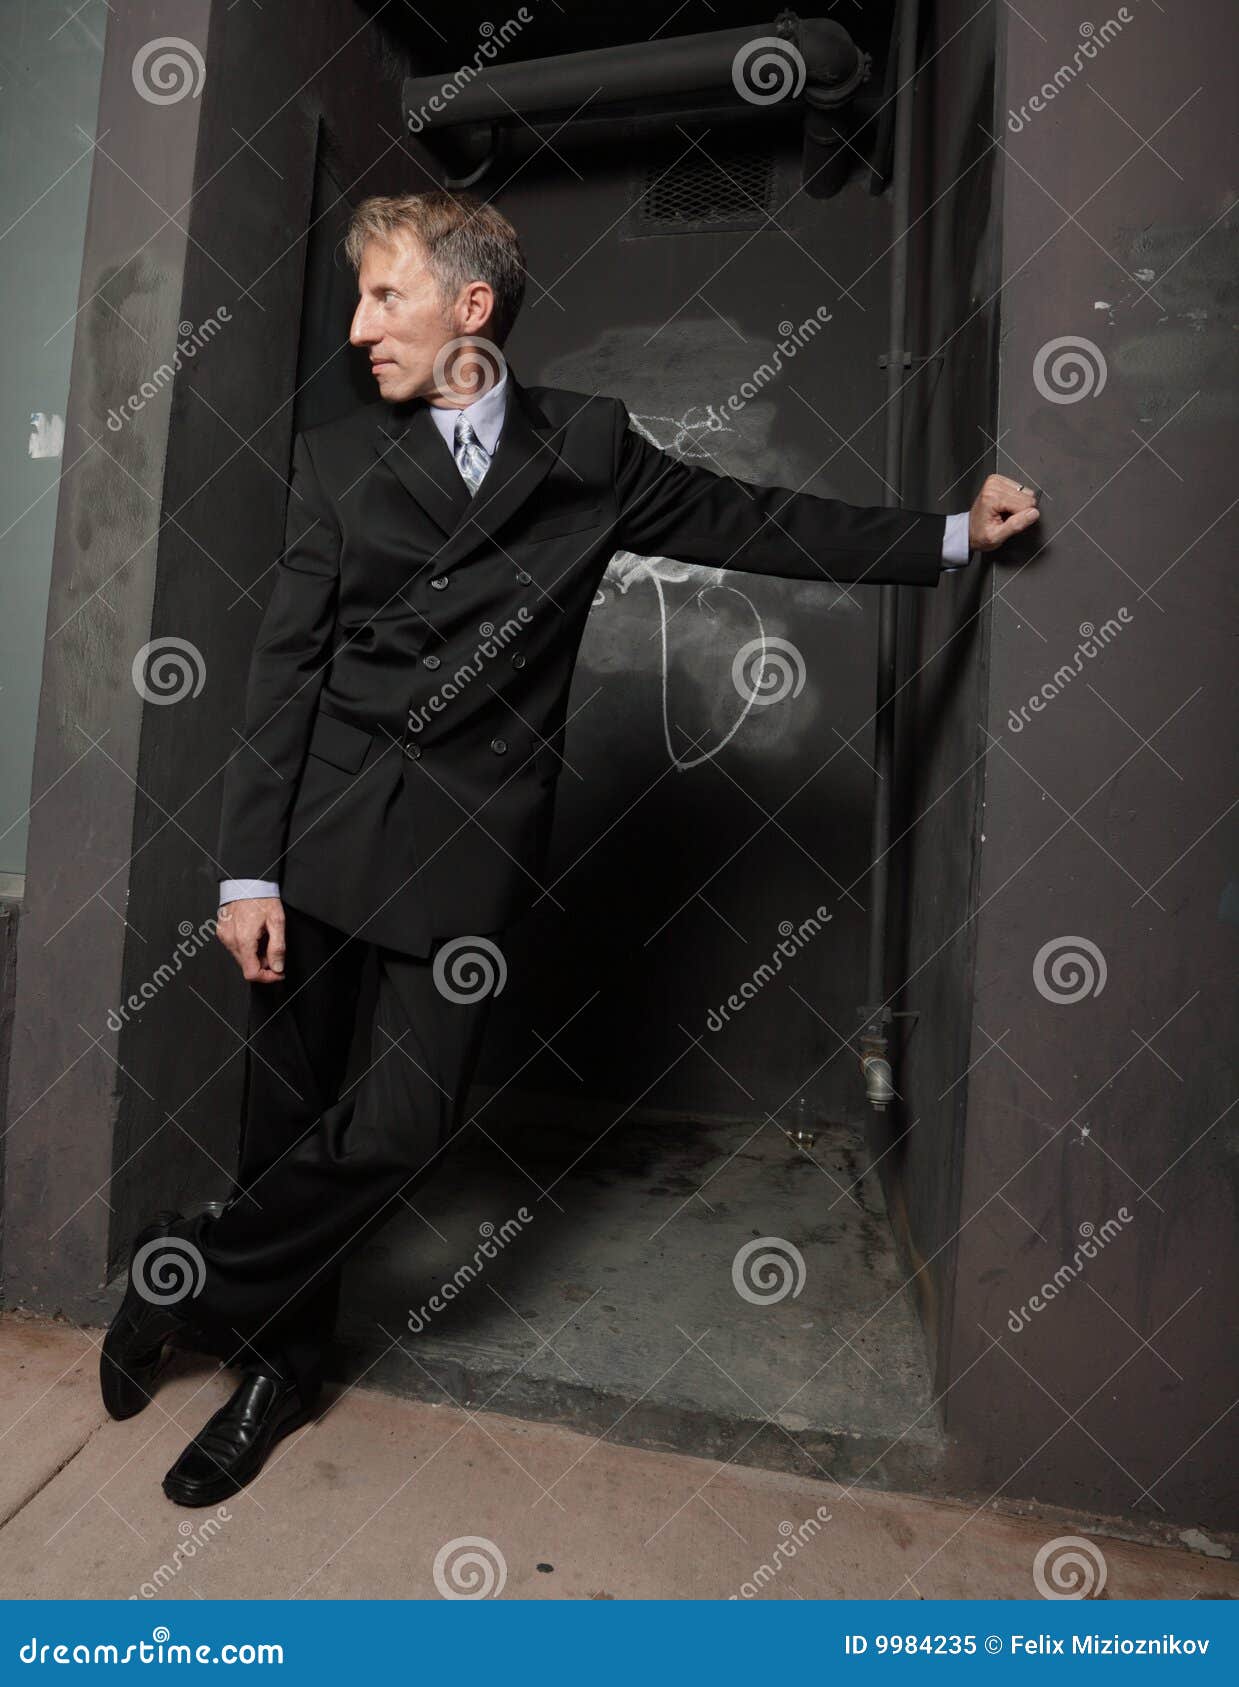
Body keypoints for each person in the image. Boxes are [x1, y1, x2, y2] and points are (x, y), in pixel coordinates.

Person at [100, 189, 1040, 1506]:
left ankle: (179, 1272)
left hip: (468, 852)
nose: (362, 324)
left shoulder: (589, 451)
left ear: (469, 310)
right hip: (319, 841)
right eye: (361, 297)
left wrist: (949, 537)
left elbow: (754, 523)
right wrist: (246, 869)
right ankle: (276, 1368)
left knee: (404, 1127)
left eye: (388, 296)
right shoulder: (337, 455)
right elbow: (283, 676)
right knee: (289, 1126)